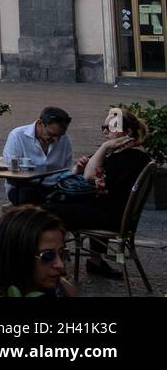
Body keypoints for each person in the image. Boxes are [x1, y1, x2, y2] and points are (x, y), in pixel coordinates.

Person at [43, 109, 151, 280]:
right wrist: (78, 168)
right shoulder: (121, 154)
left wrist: (104, 147)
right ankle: (95, 262)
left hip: (111, 216)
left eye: (111, 127)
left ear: (128, 132)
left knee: (46, 212)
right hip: (109, 211)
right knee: (55, 208)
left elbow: (88, 177)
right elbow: (85, 175)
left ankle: (51, 262)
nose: (105, 131)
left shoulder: (128, 157)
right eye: (104, 127)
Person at [0, 205, 76, 296]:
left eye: (62, 253)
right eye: (47, 256)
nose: (60, 264)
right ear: (17, 256)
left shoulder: (62, 290)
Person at [1, 107, 73, 205]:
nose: (55, 140)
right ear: (40, 123)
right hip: (24, 187)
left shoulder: (64, 139)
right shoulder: (17, 136)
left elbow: (67, 170)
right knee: (28, 197)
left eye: (59, 135)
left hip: (54, 187)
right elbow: (11, 173)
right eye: (51, 134)